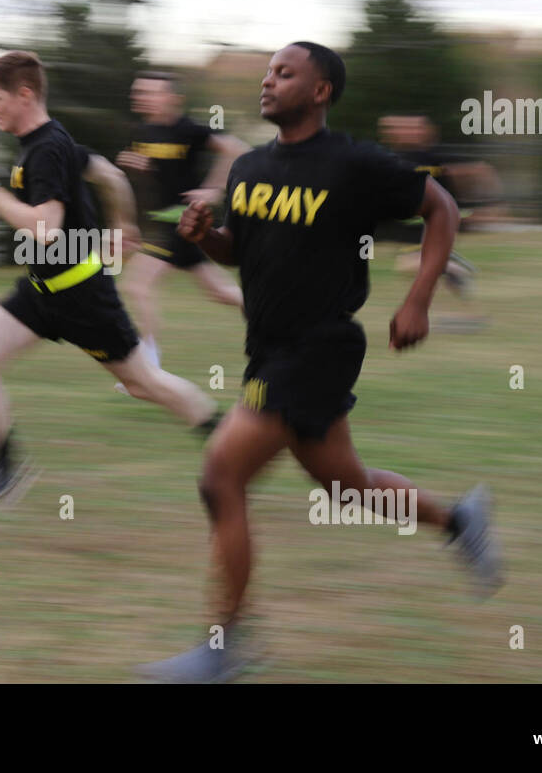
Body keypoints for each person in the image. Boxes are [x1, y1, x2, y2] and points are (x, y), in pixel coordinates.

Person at [137, 43, 504, 682]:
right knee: (344, 483)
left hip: (320, 349)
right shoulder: (249, 168)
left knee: (219, 476)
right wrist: (206, 238)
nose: (268, 81)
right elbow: (239, 254)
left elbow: (440, 207)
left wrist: (418, 298)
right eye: (268, 72)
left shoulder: (354, 163)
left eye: (285, 73)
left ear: (322, 90)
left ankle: (225, 648)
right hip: (268, 350)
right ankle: (458, 519)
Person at [0, 51, 219, 514]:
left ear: (24, 94)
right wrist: (123, 225)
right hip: (42, 289)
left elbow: (45, 229)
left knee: (145, 384)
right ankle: (4, 474)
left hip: (82, 294)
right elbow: (109, 174)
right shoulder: (45, 141)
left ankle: (229, 439)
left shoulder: (47, 148)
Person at [113, 72, 247, 393]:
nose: (141, 97)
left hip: (182, 222)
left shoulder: (189, 130)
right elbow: (143, 183)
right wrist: (132, 172)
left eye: (149, 91)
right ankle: (278, 311)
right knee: (221, 293)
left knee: (137, 284)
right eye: (138, 91)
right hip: (164, 225)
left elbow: (237, 150)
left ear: (173, 98)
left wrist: (213, 189)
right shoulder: (140, 132)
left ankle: (148, 365)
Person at [376, 113, 506, 306]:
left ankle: (450, 266)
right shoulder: (399, 158)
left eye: (413, 129)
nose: (405, 132)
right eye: (401, 129)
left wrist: (491, 203)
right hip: (421, 222)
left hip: (430, 221)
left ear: (424, 133)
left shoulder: (433, 158)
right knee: (414, 266)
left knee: (408, 264)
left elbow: (479, 170)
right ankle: (453, 275)